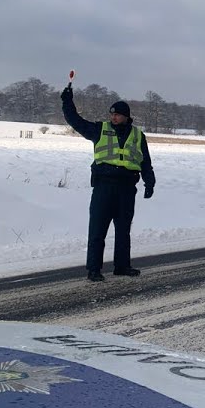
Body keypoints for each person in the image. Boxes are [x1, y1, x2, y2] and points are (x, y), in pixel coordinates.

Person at [61, 85, 156, 282]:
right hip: (103, 187)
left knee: (123, 231)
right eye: (111, 114)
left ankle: (122, 266)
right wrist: (67, 102)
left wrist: (150, 182)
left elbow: (145, 161)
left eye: (117, 115)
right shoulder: (99, 130)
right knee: (97, 230)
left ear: (126, 116)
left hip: (127, 189)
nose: (113, 117)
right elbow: (75, 121)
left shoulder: (138, 136)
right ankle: (94, 269)